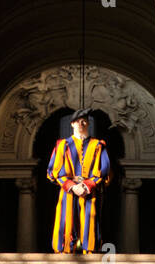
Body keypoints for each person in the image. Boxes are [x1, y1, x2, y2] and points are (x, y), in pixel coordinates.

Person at [46, 108, 111, 254]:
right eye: (77, 121)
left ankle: (91, 250)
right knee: (66, 221)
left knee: (90, 219)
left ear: (88, 124)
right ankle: (65, 249)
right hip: (68, 191)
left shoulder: (98, 145)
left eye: (84, 121)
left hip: (90, 191)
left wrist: (87, 185)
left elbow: (104, 169)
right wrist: (72, 186)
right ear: (72, 124)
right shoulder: (62, 145)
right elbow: (54, 171)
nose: (81, 124)